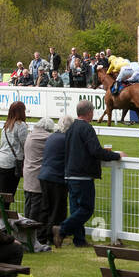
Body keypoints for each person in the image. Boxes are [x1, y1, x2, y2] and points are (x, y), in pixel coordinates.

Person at [53, 100, 123, 249]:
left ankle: (79, 239)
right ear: (90, 112)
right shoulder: (86, 128)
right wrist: (116, 155)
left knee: (76, 209)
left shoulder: (71, 128)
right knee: (86, 209)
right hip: (82, 175)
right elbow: (95, 151)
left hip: (70, 174)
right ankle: (62, 229)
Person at [19, 117, 55, 251]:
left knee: (28, 205)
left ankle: (25, 236)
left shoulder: (30, 135)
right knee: (37, 208)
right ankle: (33, 238)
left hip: (28, 173)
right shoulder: (47, 137)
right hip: (37, 176)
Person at [37, 115, 71, 248]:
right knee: (56, 209)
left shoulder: (52, 137)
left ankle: (41, 236)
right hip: (56, 177)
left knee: (46, 208)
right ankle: (51, 236)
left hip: (44, 176)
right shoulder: (66, 139)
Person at [0, 101, 28, 197]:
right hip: (11, 165)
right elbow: (26, 144)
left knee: (1, 196)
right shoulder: (21, 126)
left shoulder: (6, 126)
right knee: (7, 197)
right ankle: (1, 212)